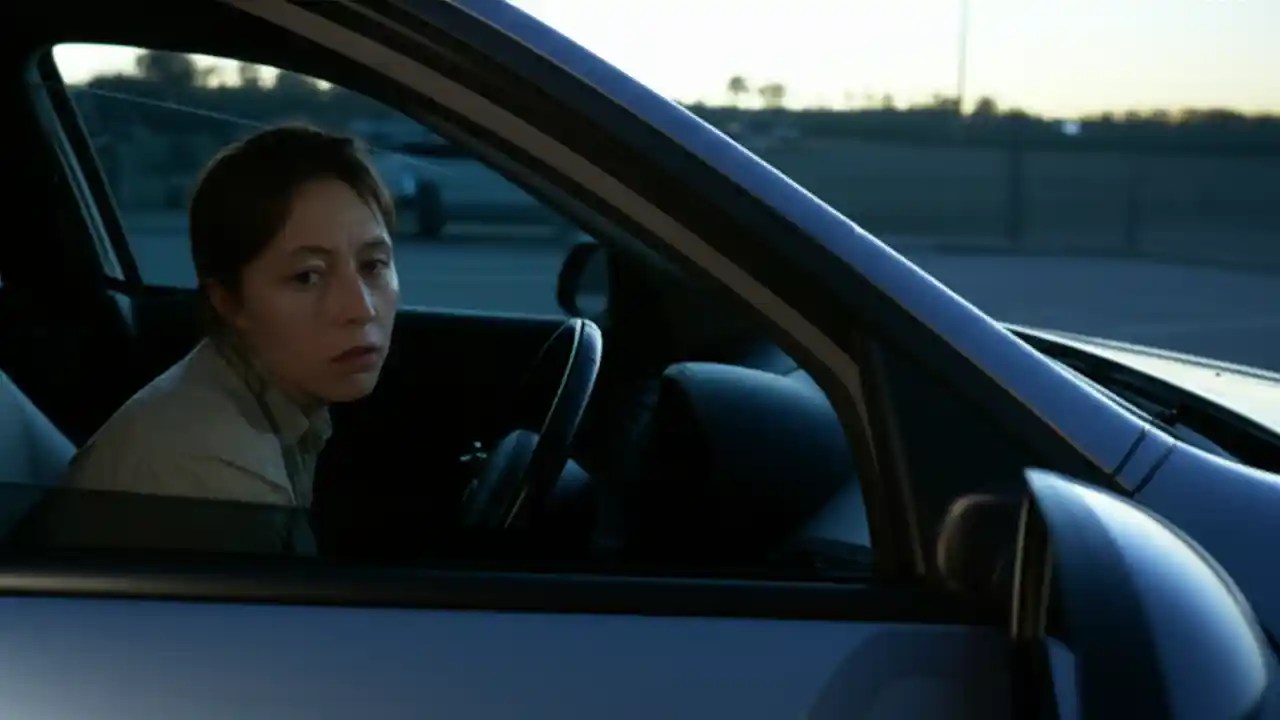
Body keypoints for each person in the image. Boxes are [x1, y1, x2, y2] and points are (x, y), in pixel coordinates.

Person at [64, 125, 400, 513]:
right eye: (307, 276)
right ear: (228, 301)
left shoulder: (258, 404)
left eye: (373, 265)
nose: (360, 308)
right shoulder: (213, 472)